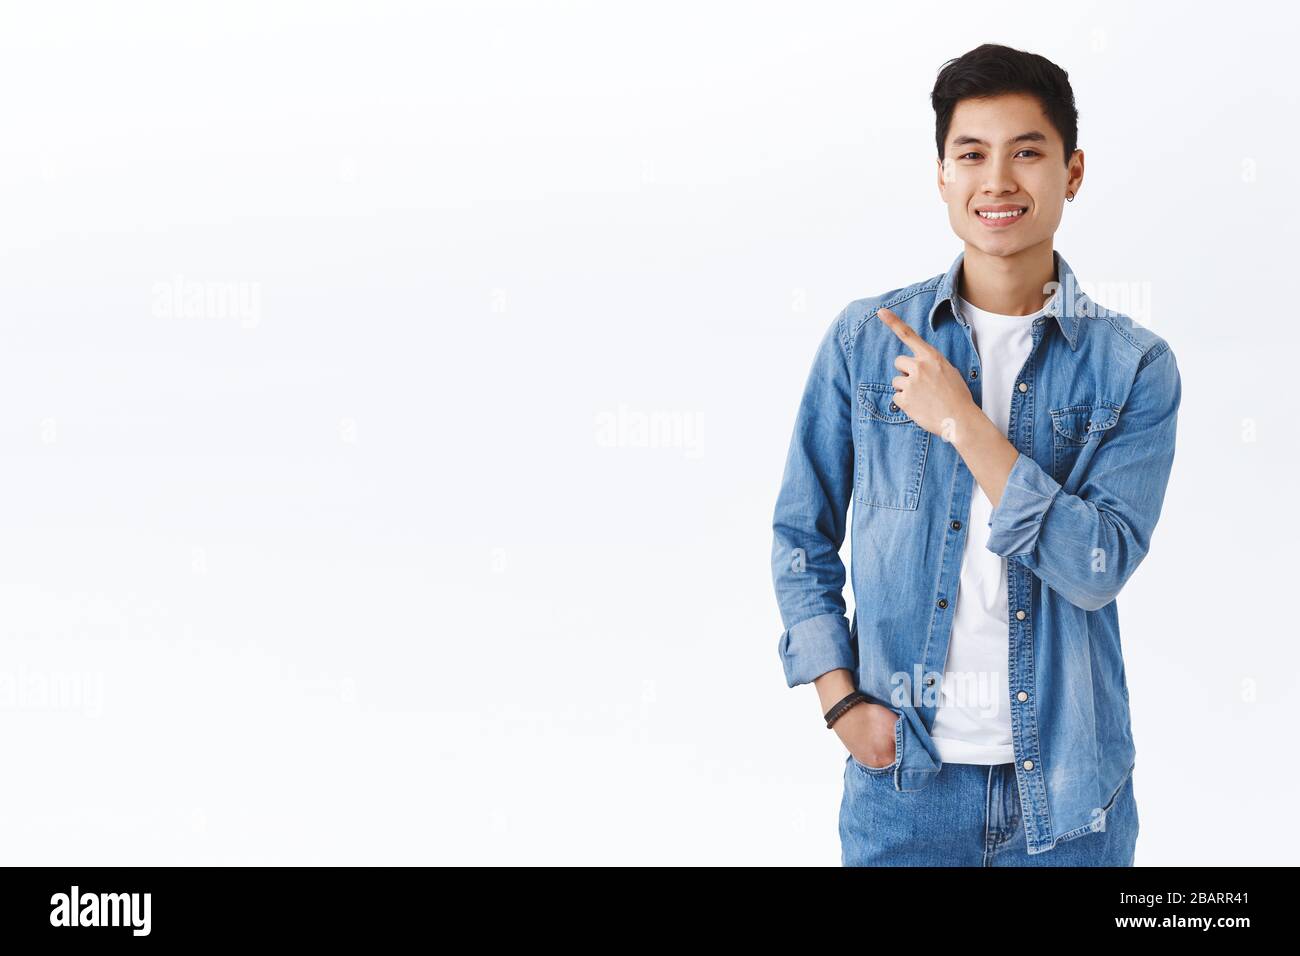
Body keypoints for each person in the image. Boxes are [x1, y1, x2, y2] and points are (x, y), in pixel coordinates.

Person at [770, 43, 1180, 866]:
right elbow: (800, 535)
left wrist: (965, 424)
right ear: (942, 175)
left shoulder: (1133, 366)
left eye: (1027, 151)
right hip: (904, 792)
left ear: (1073, 172)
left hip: (1069, 802)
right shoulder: (865, 339)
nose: (998, 179)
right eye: (972, 154)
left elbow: (1096, 564)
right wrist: (840, 700)